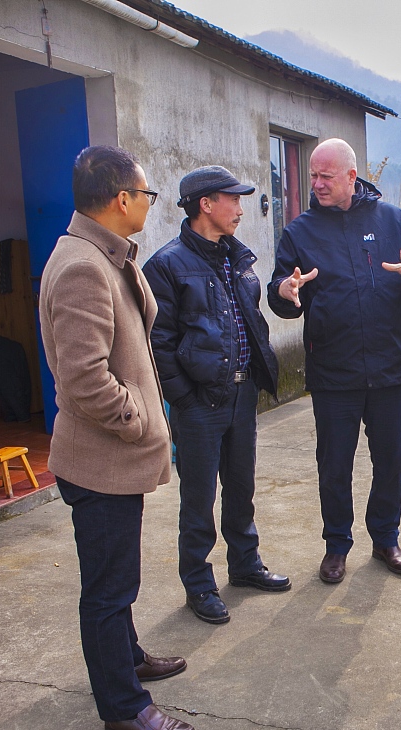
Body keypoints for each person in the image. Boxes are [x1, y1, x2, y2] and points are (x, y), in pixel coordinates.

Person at [40, 145, 195, 730]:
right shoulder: (83, 266)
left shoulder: (106, 254)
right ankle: (123, 706)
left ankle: (127, 658)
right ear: (121, 199)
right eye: (147, 194)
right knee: (108, 591)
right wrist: (139, 420)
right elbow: (84, 380)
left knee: (118, 578)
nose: (151, 204)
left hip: (112, 460)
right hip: (99, 462)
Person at [268, 138, 401, 584]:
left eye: (326, 176)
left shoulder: (392, 220)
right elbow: (280, 293)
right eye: (313, 176)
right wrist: (284, 291)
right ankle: (336, 545)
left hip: (388, 367)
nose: (317, 184)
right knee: (334, 465)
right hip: (333, 371)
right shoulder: (300, 231)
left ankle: (386, 539)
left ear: (351, 176)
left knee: (390, 461)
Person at [143, 166, 288, 626]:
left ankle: (245, 565)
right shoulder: (166, 266)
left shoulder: (236, 258)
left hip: (242, 395)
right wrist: (184, 398)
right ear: (206, 205)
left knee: (241, 489)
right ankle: (199, 584)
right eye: (233, 199)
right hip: (199, 404)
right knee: (199, 499)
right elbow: (157, 343)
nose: (241, 209)